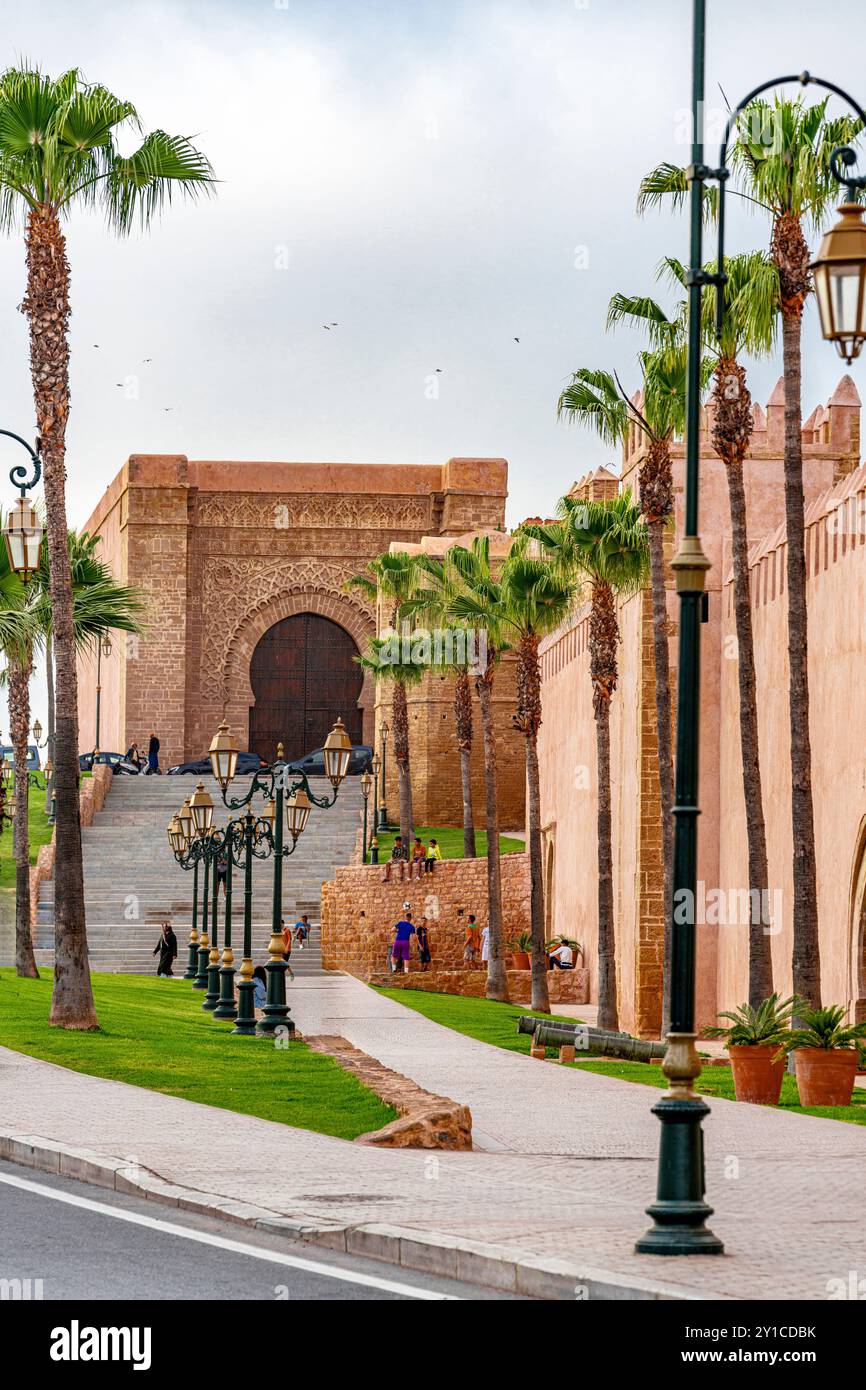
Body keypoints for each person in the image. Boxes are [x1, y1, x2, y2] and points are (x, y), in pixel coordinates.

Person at [391, 910, 415, 974]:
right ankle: (406, 972)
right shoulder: (412, 926)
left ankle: (394, 969)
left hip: (398, 941)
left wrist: (398, 931)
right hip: (406, 942)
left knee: (394, 956)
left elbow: (392, 930)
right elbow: (414, 937)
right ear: (410, 918)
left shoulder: (400, 923)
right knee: (406, 957)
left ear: (405, 917)